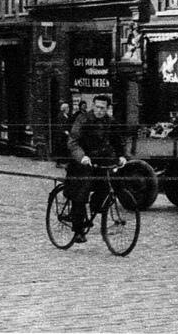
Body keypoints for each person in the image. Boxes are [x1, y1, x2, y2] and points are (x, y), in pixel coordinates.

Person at [66, 94, 129, 243]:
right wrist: (82, 156)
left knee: (108, 185)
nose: (99, 110)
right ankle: (78, 230)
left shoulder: (110, 122)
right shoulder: (83, 119)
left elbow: (117, 141)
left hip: (101, 162)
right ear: (93, 106)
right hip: (82, 162)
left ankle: (95, 207)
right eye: (97, 107)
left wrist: (122, 156)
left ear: (108, 109)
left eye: (103, 108)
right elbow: (73, 141)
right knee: (81, 192)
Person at [54, 102, 71, 167]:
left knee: (65, 148)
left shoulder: (67, 115)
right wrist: (64, 131)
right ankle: (58, 163)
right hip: (61, 135)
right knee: (60, 148)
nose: (68, 109)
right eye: (67, 108)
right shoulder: (60, 116)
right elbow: (59, 126)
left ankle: (64, 162)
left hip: (66, 135)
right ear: (64, 109)